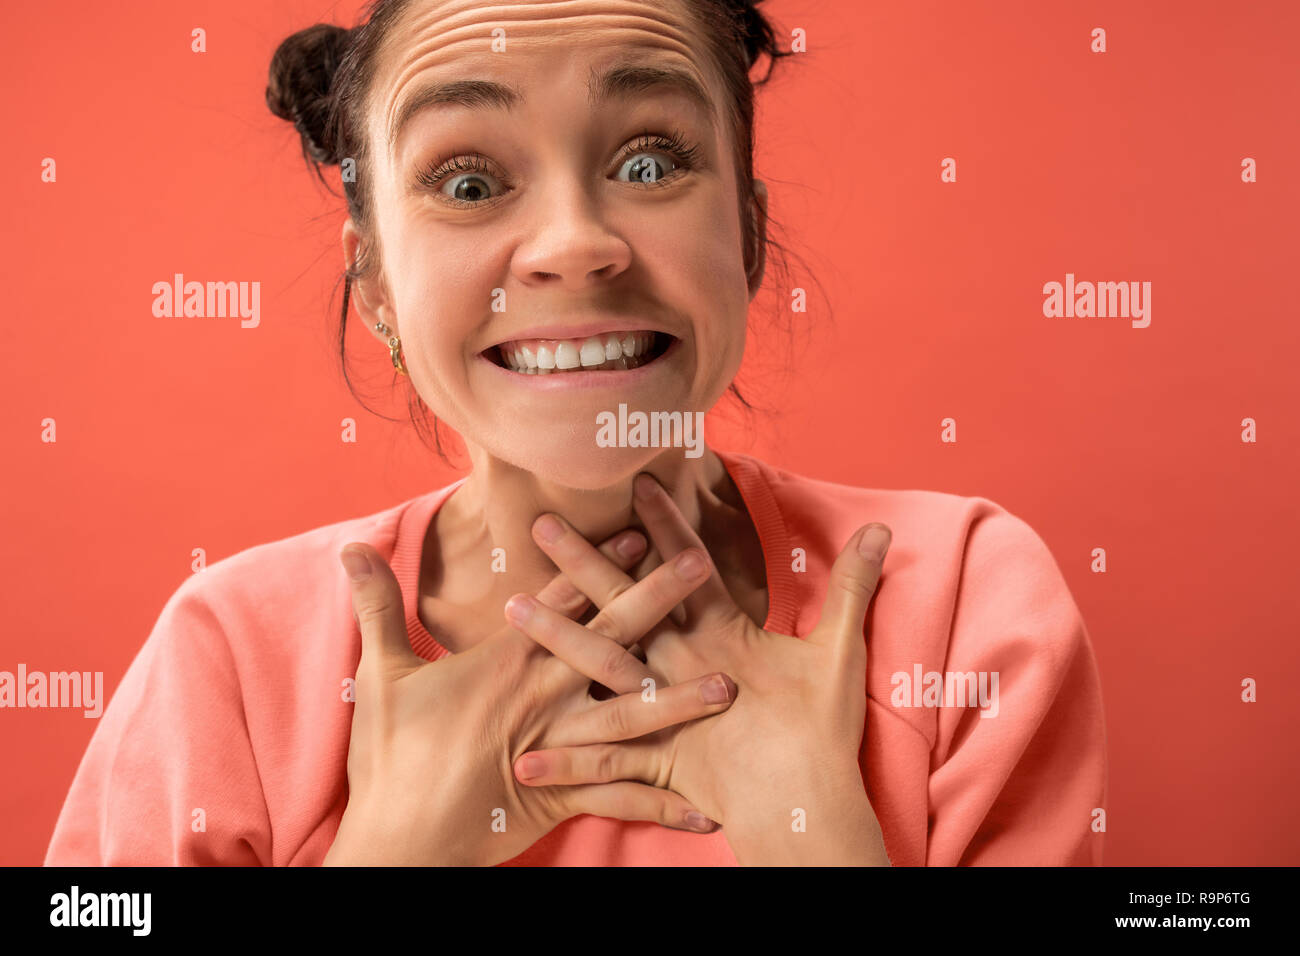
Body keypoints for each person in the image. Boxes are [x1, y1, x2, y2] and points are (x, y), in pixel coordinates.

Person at [45, 0, 1106, 866]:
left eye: (649, 163)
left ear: (746, 230)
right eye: (467, 183)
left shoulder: (963, 602)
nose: (574, 244)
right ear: (373, 279)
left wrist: (818, 835)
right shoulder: (231, 660)